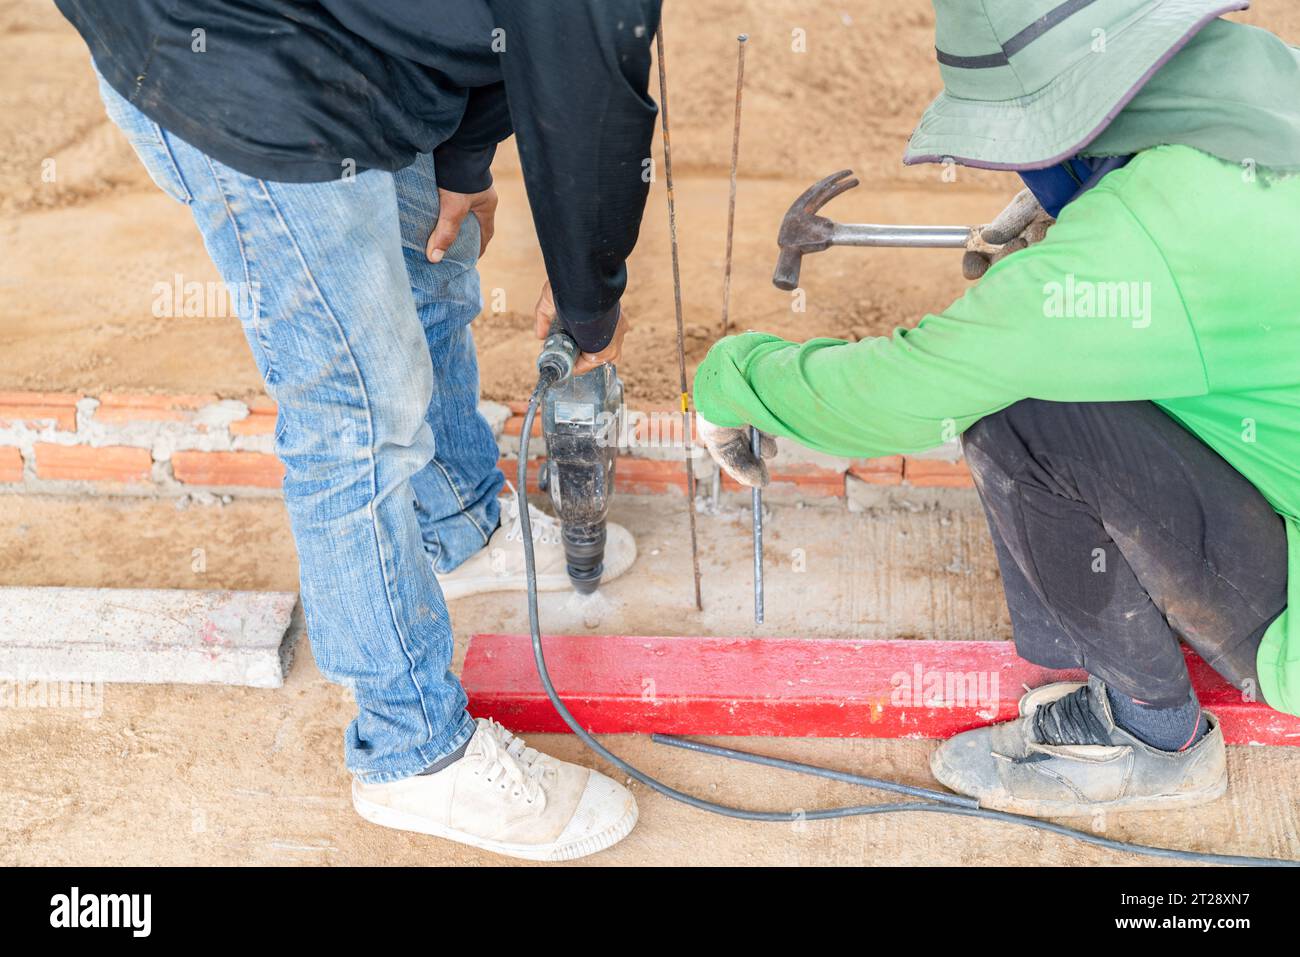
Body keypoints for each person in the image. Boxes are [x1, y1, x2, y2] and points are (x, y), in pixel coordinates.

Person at [57, 0, 663, 860]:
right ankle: (412, 750)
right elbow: (584, 91)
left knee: (436, 260)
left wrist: (463, 159)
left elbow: (517, 28)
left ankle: (455, 527)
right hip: (237, 55)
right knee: (358, 414)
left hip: (344, 33)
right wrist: (590, 305)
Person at [696, 0, 1300, 816]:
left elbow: (918, 390)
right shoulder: (1264, 78)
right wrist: (1091, 201)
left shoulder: (1139, 248)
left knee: (1018, 409)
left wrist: (737, 377)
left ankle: (1151, 737)